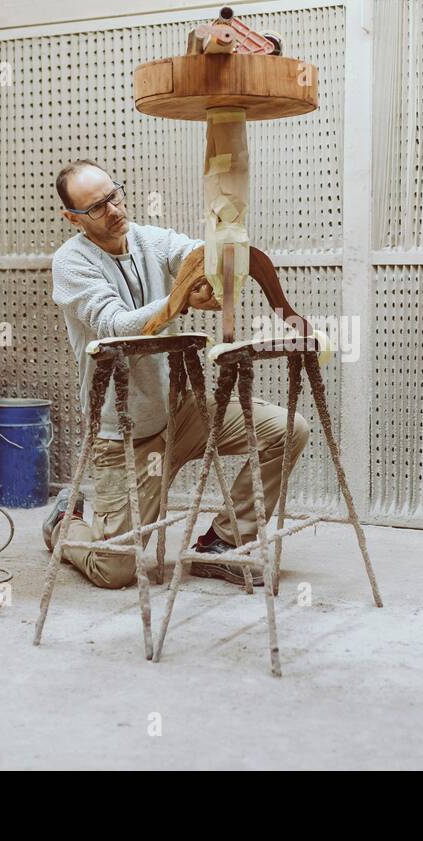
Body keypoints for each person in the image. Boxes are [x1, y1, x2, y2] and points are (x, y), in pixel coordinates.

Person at [45, 158, 309, 588]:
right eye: (96, 207)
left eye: (114, 196)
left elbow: (193, 254)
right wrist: (182, 298)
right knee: (115, 570)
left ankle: (221, 544)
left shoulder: (149, 239)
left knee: (286, 429)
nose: (114, 210)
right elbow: (116, 325)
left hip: (183, 412)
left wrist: (211, 270)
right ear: (73, 218)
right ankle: (65, 524)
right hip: (128, 431)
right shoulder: (70, 263)